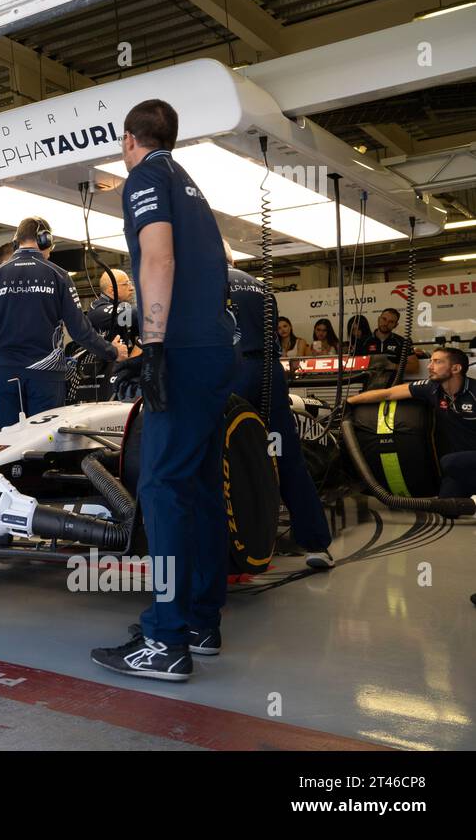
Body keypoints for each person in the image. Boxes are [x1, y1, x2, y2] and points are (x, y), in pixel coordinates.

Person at [90, 99, 236, 683]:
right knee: (197, 483)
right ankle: (200, 620)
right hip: (215, 350)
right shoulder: (188, 182)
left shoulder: (146, 176)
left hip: (182, 349)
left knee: (161, 485)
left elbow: (157, 256)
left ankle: (165, 639)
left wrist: (151, 345)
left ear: (130, 140)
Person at [224, 251, 333, 569]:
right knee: (286, 455)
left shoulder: (206, 281)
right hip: (271, 374)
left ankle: (233, 549)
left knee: (223, 458)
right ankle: (316, 544)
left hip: (234, 370)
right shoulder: (259, 285)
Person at [0, 217, 126, 430]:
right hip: (45, 378)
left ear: (17, 241)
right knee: (43, 449)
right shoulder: (59, 275)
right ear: (44, 240)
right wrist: (112, 351)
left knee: (5, 449)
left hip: (6, 376)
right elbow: (80, 331)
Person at [347, 347, 476, 501]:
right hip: (461, 464)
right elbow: (389, 393)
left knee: (448, 462)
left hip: (462, 459)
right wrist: (349, 402)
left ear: (455, 368)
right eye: (430, 361)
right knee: (447, 507)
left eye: (437, 362)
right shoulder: (431, 388)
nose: (429, 366)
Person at [86, 267, 141, 354]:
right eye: (126, 284)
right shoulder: (97, 310)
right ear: (112, 290)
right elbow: (136, 314)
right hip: (106, 365)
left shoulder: (122, 307)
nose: (132, 288)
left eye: (130, 283)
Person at [363, 307, 420, 374]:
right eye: (384, 319)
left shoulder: (402, 342)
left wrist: (392, 366)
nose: (386, 323)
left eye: (391, 322)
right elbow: (352, 365)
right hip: (367, 382)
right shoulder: (363, 341)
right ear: (379, 319)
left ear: (395, 325)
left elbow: (414, 367)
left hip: (394, 383)